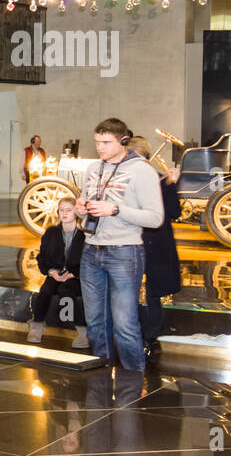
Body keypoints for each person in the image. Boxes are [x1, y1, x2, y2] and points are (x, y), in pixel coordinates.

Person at [74, 118, 165, 372]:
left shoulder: (142, 171)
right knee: (95, 323)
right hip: (91, 251)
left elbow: (155, 218)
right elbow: (87, 206)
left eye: (106, 142)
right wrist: (80, 208)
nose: (99, 147)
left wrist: (115, 209)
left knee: (125, 325)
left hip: (125, 253)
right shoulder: (93, 168)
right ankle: (101, 376)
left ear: (123, 141)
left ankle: (133, 382)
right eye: (97, 142)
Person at [129, 136, 182, 363]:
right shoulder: (144, 179)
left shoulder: (156, 180)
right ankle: (143, 339)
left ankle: (149, 339)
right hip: (140, 241)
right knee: (135, 295)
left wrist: (171, 186)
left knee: (149, 295)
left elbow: (173, 211)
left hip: (150, 242)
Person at [27, 198, 89, 348]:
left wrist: (74, 273)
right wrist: (51, 271)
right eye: (62, 210)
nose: (65, 213)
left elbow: (89, 260)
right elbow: (42, 256)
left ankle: (82, 332)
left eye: (69, 210)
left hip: (76, 275)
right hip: (56, 273)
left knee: (66, 290)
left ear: (76, 212)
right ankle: (37, 326)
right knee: (46, 290)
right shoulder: (52, 232)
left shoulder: (84, 235)